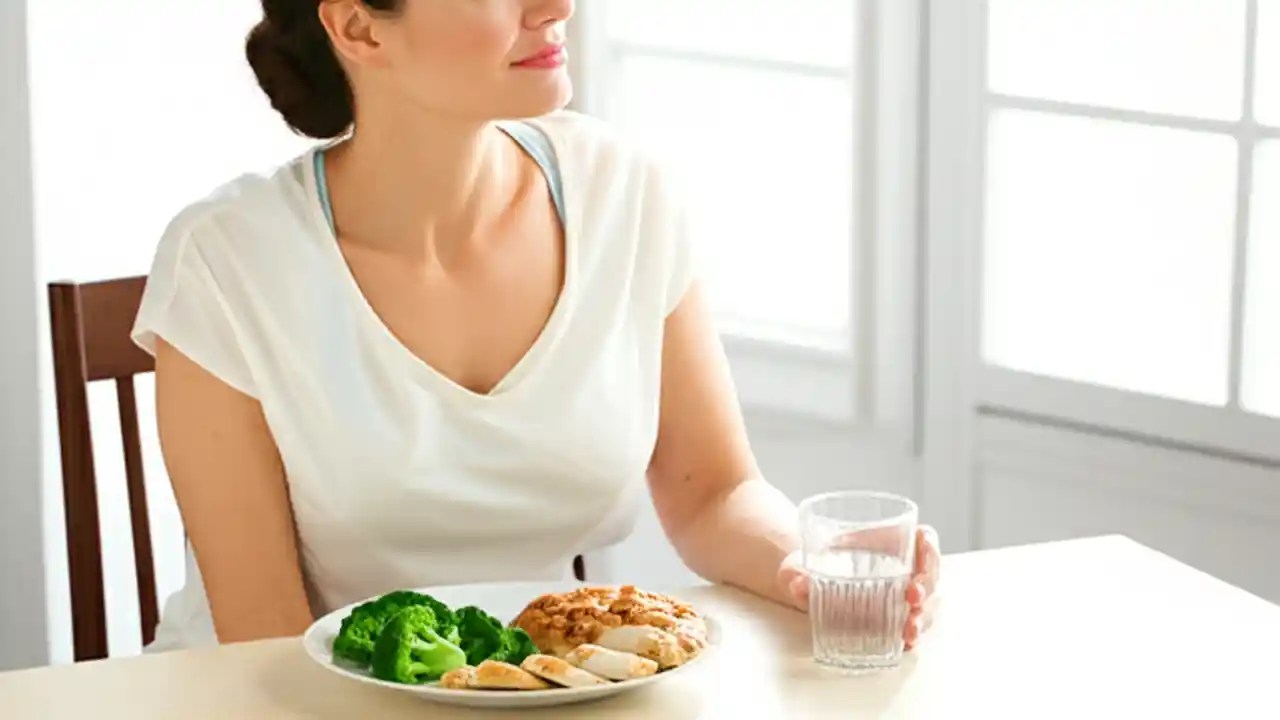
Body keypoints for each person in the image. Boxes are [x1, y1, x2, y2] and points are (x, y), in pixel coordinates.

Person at [132, 0, 941, 652]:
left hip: (530, 694)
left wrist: (808, 562)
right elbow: (263, 636)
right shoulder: (227, 263)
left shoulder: (623, 194)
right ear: (356, 26)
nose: (557, 7)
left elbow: (715, 496)